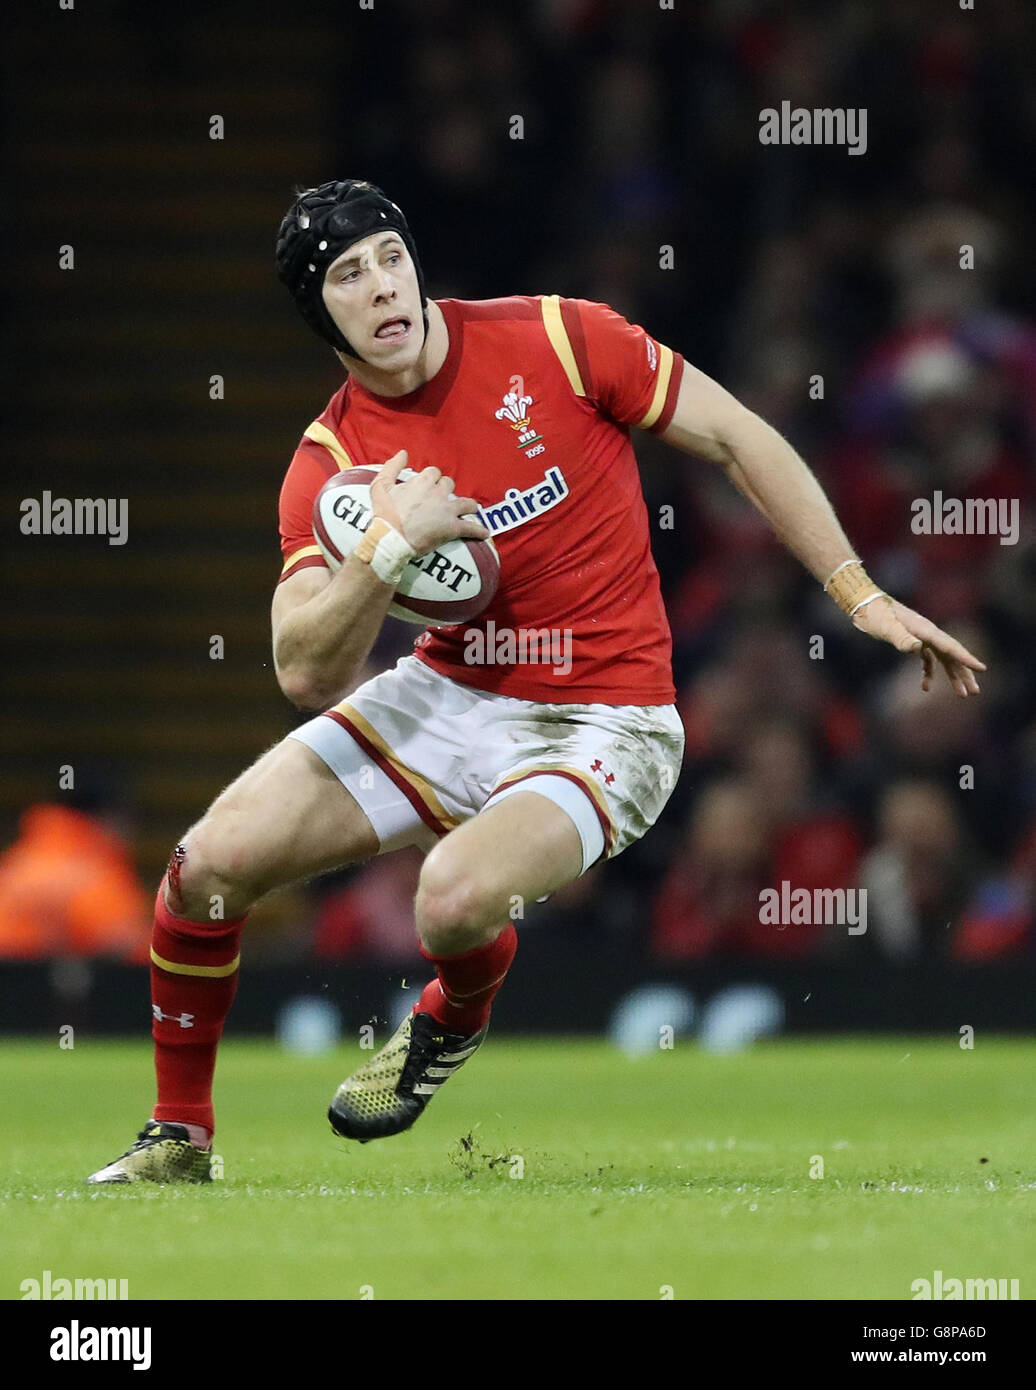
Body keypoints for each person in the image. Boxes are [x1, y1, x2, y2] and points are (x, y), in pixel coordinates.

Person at [88, 179, 985, 1183]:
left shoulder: (560, 338)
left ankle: (450, 1017)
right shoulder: (330, 466)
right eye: (347, 275)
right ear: (318, 311)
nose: (382, 285)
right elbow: (304, 669)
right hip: (447, 697)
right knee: (205, 866)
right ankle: (180, 1137)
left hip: (607, 716)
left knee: (449, 900)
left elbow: (740, 433)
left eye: (390, 256)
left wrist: (856, 593)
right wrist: (385, 552)